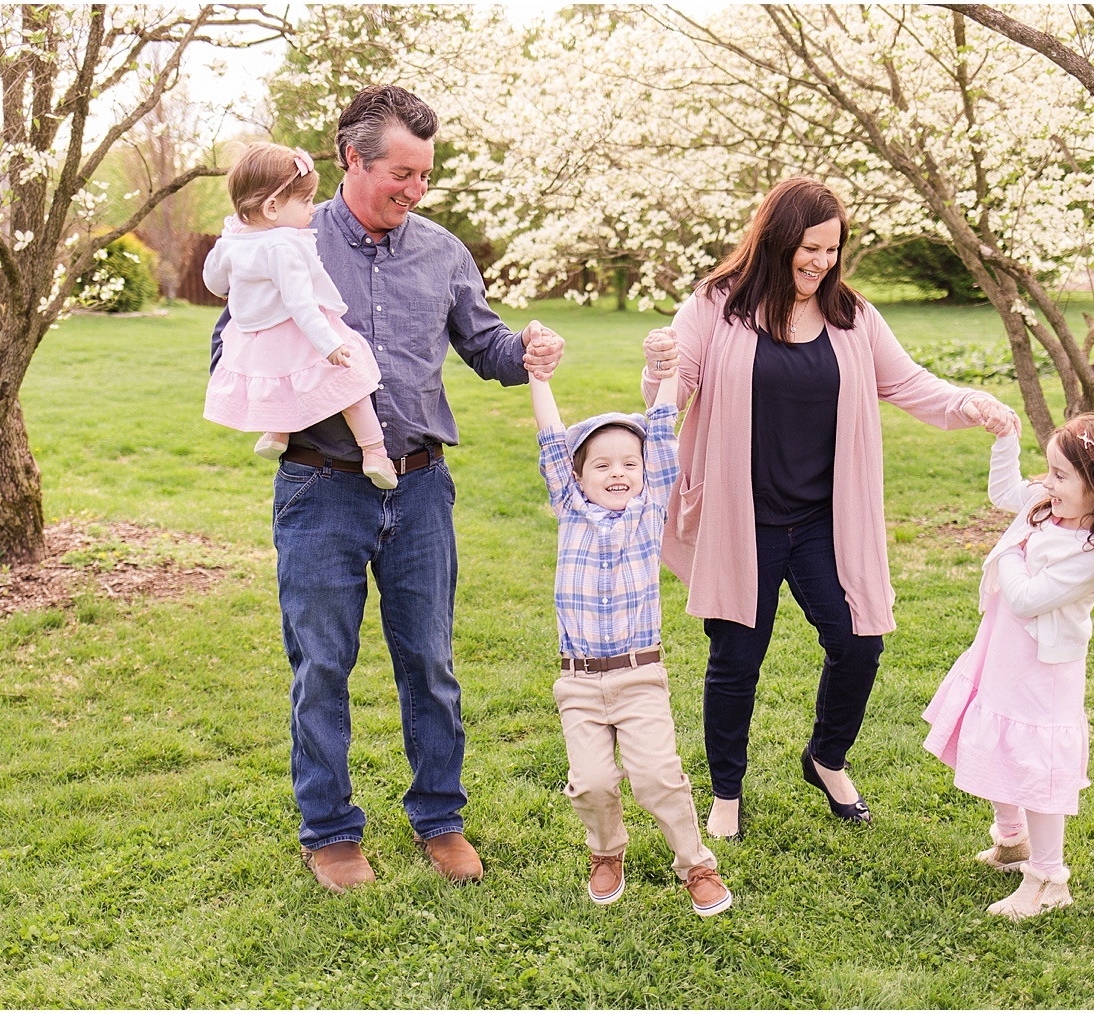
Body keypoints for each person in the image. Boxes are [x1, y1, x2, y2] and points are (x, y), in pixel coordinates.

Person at [209, 85, 566, 892]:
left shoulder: (441, 251)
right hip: (319, 486)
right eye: (400, 173)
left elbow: (487, 345)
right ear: (350, 160)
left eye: (425, 175)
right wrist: (285, 401)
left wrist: (530, 348)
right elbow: (230, 347)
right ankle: (330, 831)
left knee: (430, 664)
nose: (415, 190)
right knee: (322, 666)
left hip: (420, 488)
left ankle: (439, 817)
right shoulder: (282, 242)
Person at [641, 177, 1018, 839]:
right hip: (741, 519)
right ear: (777, 240)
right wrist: (659, 371)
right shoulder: (715, 306)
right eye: (808, 248)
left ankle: (826, 757)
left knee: (858, 643)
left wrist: (968, 403)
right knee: (736, 659)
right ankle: (726, 794)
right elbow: (673, 395)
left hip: (823, 521)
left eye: (832, 250)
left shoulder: (852, 317)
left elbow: (908, 384)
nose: (820, 262)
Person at [922, 414, 1094, 920]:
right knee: (998, 744)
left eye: (1059, 475)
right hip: (1002, 651)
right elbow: (1004, 490)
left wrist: (1009, 547)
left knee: (1034, 763)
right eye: (1048, 472)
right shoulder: (1047, 507)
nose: (1045, 484)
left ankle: (1049, 879)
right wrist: (1005, 438)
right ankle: (1011, 841)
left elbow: (1029, 598)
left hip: (1043, 673)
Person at [529, 360, 733, 918]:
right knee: (591, 782)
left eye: (629, 463)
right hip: (579, 682)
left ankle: (695, 864)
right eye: (602, 464)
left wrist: (668, 371)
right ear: (578, 476)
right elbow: (550, 439)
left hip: (640, 676)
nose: (618, 472)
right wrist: (538, 377)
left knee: (659, 777)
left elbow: (663, 429)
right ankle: (606, 852)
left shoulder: (649, 513)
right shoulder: (570, 511)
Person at [203, 143, 397, 489]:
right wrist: (329, 344)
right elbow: (300, 302)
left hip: (260, 338)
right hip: (300, 332)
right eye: (305, 202)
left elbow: (213, 279)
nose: (312, 209)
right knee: (351, 387)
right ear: (273, 207)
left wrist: (227, 288)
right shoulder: (282, 245)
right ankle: (375, 453)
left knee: (281, 383)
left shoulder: (231, 240)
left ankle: (277, 433)